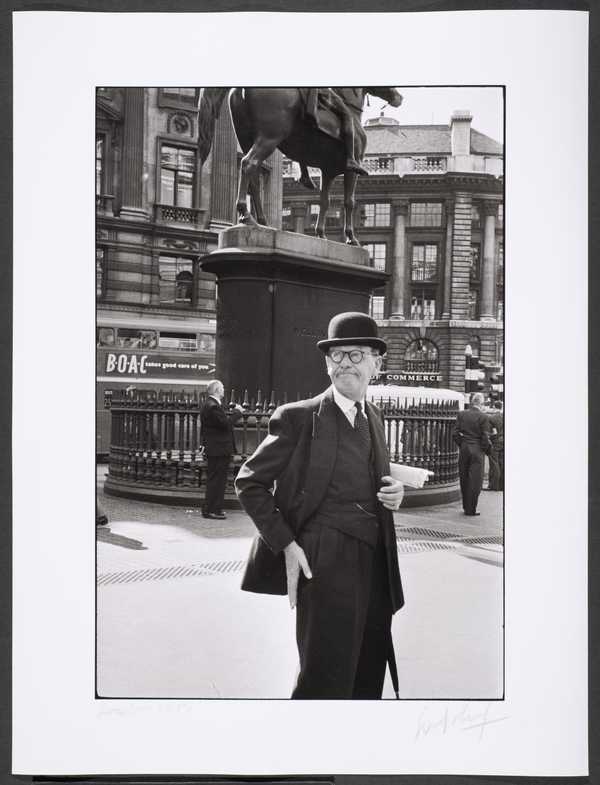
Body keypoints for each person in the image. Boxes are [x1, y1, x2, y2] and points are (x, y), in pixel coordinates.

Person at [235, 312, 405, 699]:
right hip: (324, 563)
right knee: (324, 676)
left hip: (376, 562)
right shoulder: (298, 417)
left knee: (367, 666)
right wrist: (287, 544)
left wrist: (395, 491)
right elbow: (250, 482)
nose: (346, 363)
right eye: (337, 355)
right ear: (327, 364)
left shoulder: (374, 416)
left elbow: (373, 475)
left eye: (357, 355)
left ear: (376, 364)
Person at [200, 380, 243, 520]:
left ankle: (211, 509)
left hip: (216, 449)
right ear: (217, 390)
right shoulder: (213, 406)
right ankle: (212, 510)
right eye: (222, 388)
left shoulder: (210, 405)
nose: (224, 390)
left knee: (215, 480)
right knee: (217, 481)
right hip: (218, 450)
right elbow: (225, 424)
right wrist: (238, 412)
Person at [453, 392, 493, 516]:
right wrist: (487, 450)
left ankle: (465, 507)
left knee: (464, 477)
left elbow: (455, 434)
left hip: (465, 448)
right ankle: (471, 509)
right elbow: (485, 438)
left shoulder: (462, 414)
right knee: (475, 481)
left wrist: (463, 444)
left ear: (471, 402)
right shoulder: (483, 417)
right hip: (477, 450)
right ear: (481, 403)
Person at [487, 400, 504, 491]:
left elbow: (491, 432)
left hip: (496, 442)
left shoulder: (492, 418)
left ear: (494, 407)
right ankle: (502, 485)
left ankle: (494, 485)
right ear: (501, 407)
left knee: (494, 463)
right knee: (502, 463)